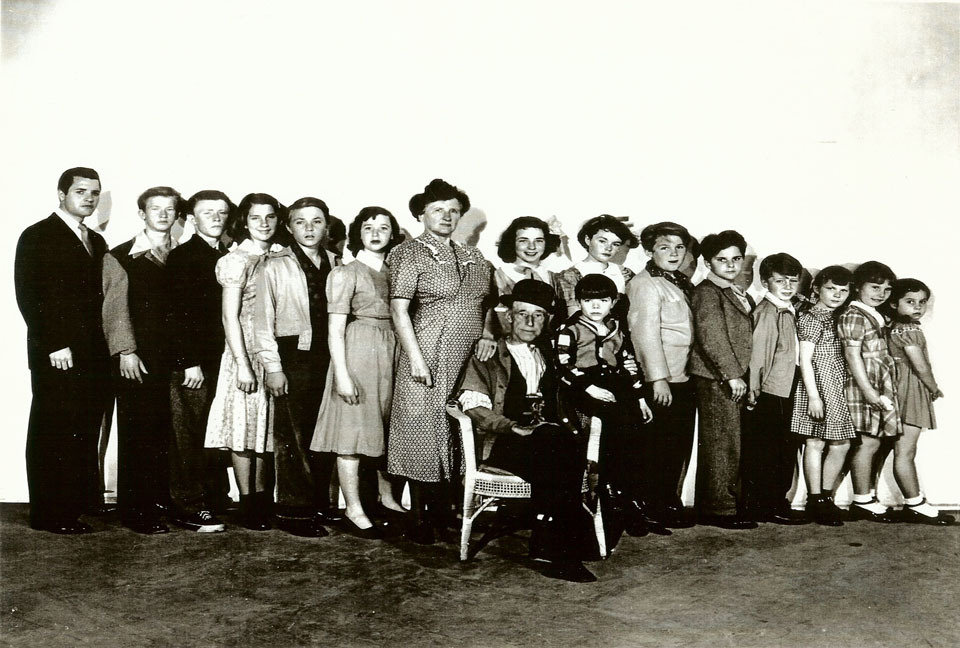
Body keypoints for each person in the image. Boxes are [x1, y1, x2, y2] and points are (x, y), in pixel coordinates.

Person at [457, 279, 596, 582]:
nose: (530, 322)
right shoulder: (489, 354)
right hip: (504, 444)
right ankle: (560, 548)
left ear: (547, 320)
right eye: (522, 314)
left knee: (562, 444)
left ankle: (550, 543)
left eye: (538, 315)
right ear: (509, 316)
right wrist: (513, 427)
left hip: (545, 442)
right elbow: (473, 405)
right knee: (559, 448)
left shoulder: (550, 354)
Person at [387, 179, 493, 544]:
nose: (446, 216)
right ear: (421, 214)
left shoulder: (474, 256)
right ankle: (420, 517)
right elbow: (399, 309)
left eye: (453, 211)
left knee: (456, 428)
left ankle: (449, 510)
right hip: (428, 351)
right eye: (437, 210)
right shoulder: (410, 252)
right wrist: (415, 359)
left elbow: (488, 304)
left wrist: (488, 335)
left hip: (467, 358)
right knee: (422, 430)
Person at [14, 167, 110, 534]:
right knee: (52, 430)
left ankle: (74, 505)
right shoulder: (38, 236)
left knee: (80, 430)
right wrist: (54, 343)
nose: (88, 198)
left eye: (95, 192)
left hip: (91, 355)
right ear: (61, 194)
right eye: (81, 191)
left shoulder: (96, 241)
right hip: (57, 354)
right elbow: (30, 295)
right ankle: (49, 514)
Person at [312, 207, 407, 539]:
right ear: (358, 233)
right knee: (352, 434)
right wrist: (342, 375)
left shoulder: (399, 272)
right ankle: (353, 507)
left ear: (393, 234)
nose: (376, 233)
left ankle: (387, 498)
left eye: (384, 227)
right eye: (369, 227)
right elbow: (335, 329)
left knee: (386, 428)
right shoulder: (345, 272)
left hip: (393, 351)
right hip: (359, 352)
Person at [253, 197, 341, 538]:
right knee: (293, 435)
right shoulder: (273, 265)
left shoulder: (336, 262)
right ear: (289, 227)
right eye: (301, 222)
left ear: (326, 227)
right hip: (293, 356)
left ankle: (318, 502)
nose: (309, 228)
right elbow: (263, 322)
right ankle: (293, 510)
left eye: (316, 221)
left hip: (330, 357)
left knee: (323, 432)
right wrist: (273, 367)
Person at [101, 186, 182, 534]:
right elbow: (114, 309)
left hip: (174, 360)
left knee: (169, 433)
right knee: (139, 434)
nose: (162, 215)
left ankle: (163, 502)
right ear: (142, 214)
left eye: (169, 209)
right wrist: (126, 351)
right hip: (138, 359)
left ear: (178, 216)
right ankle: (137, 511)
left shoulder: (183, 254)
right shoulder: (120, 256)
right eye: (155, 209)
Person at [553, 274, 658, 538]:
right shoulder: (570, 329)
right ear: (579, 302)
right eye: (588, 301)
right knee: (611, 430)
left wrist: (640, 398)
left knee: (638, 431)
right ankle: (609, 493)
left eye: (602, 300)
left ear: (612, 302)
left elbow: (628, 364)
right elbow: (563, 366)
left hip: (614, 384)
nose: (596, 306)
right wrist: (588, 388)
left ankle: (629, 499)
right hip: (582, 387)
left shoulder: (616, 329)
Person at [204, 193, 284, 530]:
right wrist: (242, 364)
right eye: (255, 218)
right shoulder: (236, 260)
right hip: (245, 351)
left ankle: (264, 498)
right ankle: (248, 501)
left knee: (266, 431)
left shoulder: (281, 257)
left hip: (274, 352)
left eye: (269, 217)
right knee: (243, 429)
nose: (263, 224)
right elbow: (228, 316)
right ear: (244, 222)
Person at [166, 190, 234, 532]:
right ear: (191, 218)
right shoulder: (183, 257)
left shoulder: (226, 254)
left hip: (220, 359)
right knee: (188, 435)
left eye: (221, 212)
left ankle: (212, 497)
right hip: (192, 363)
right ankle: (188, 506)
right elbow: (176, 315)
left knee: (212, 432)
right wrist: (188, 361)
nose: (216, 218)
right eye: (208, 212)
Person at [626, 221, 696, 528]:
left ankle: (667, 501)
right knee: (658, 446)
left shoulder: (677, 281)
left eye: (679, 247)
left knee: (675, 445)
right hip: (664, 378)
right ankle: (653, 505)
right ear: (649, 250)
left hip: (682, 375)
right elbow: (645, 334)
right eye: (665, 247)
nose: (674, 253)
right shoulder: (645, 284)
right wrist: (657, 379)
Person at [688, 230, 757, 529]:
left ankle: (725, 503)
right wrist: (731, 375)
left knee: (729, 441)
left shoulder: (733, 290)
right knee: (721, 442)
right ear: (707, 262)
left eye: (736, 259)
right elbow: (711, 338)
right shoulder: (706, 292)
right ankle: (718, 508)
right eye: (721, 259)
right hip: (717, 378)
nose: (730, 265)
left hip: (730, 377)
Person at [741, 253, 808, 525]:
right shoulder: (768, 312)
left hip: (786, 388)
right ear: (766, 282)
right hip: (770, 391)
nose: (788, 286)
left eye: (793, 280)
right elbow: (758, 356)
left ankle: (774, 501)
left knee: (782, 449)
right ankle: (766, 504)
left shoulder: (789, 308)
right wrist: (754, 391)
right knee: (769, 451)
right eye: (780, 280)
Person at [789, 266, 856, 526]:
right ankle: (816, 500)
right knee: (815, 443)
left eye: (843, 290)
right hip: (817, 383)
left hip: (836, 383)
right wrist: (814, 397)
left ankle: (825, 497)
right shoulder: (812, 317)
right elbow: (804, 359)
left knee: (841, 443)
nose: (837, 295)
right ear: (817, 288)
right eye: (831, 289)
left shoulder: (839, 316)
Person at [885, 279, 954, 525]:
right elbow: (920, 365)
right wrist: (933, 387)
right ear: (894, 303)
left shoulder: (898, 327)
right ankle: (915, 504)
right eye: (910, 302)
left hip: (902, 388)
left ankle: (914, 502)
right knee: (905, 451)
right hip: (910, 390)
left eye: (922, 302)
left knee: (904, 450)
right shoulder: (908, 330)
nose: (918, 307)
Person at [839, 261, 901, 523]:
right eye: (875, 287)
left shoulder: (872, 314)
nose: (880, 294)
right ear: (857, 287)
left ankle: (867, 496)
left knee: (874, 441)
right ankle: (862, 499)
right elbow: (852, 357)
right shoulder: (854, 315)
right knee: (868, 443)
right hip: (863, 386)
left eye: (886, 290)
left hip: (877, 385)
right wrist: (869, 393)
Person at [479, 216, 563, 349]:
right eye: (523, 240)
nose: (532, 247)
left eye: (539, 241)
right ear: (512, 242)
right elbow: (486, 315)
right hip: (505, 353)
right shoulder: (495, 276)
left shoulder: (553, 278)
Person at [553, 214, 639, 319]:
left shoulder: (624, 273)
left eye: (615, 244)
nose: (608, 248)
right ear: (588, 240)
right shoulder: (570, 276)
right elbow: (574, 318)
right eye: (602, 241)